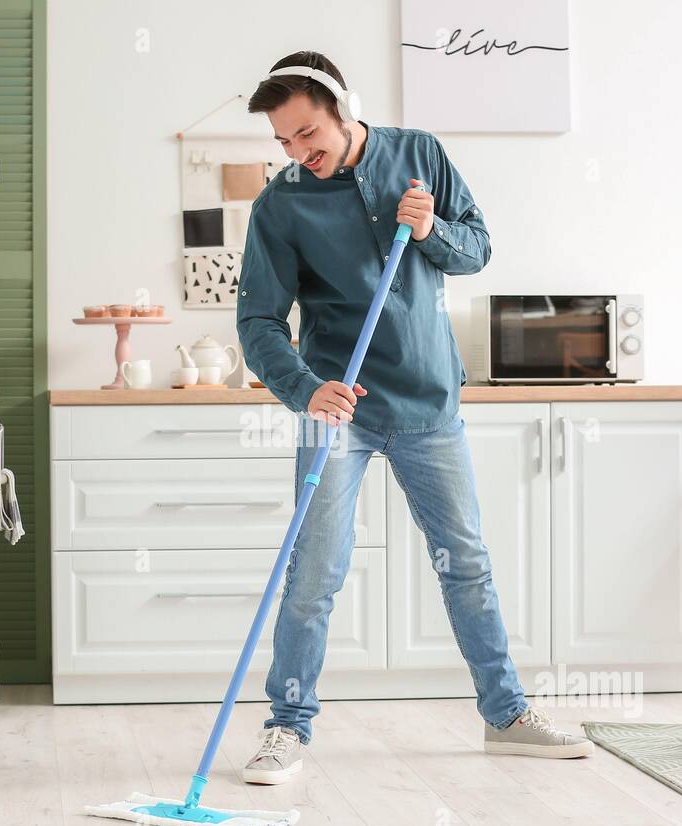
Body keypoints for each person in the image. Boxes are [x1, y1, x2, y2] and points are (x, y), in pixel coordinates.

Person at [236, 51, 593, 784]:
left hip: (429, 401)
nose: (301, 154)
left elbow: (477, 249)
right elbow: (259, 321)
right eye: (285, 143)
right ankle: (287, 727)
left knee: (466, 566)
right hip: (338, 410)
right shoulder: (282, 204)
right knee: (314, 575)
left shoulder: (419, 154)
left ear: (342, 108)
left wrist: (431, 232)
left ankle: (506, 715)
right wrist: (305, 389)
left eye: (308, 134)